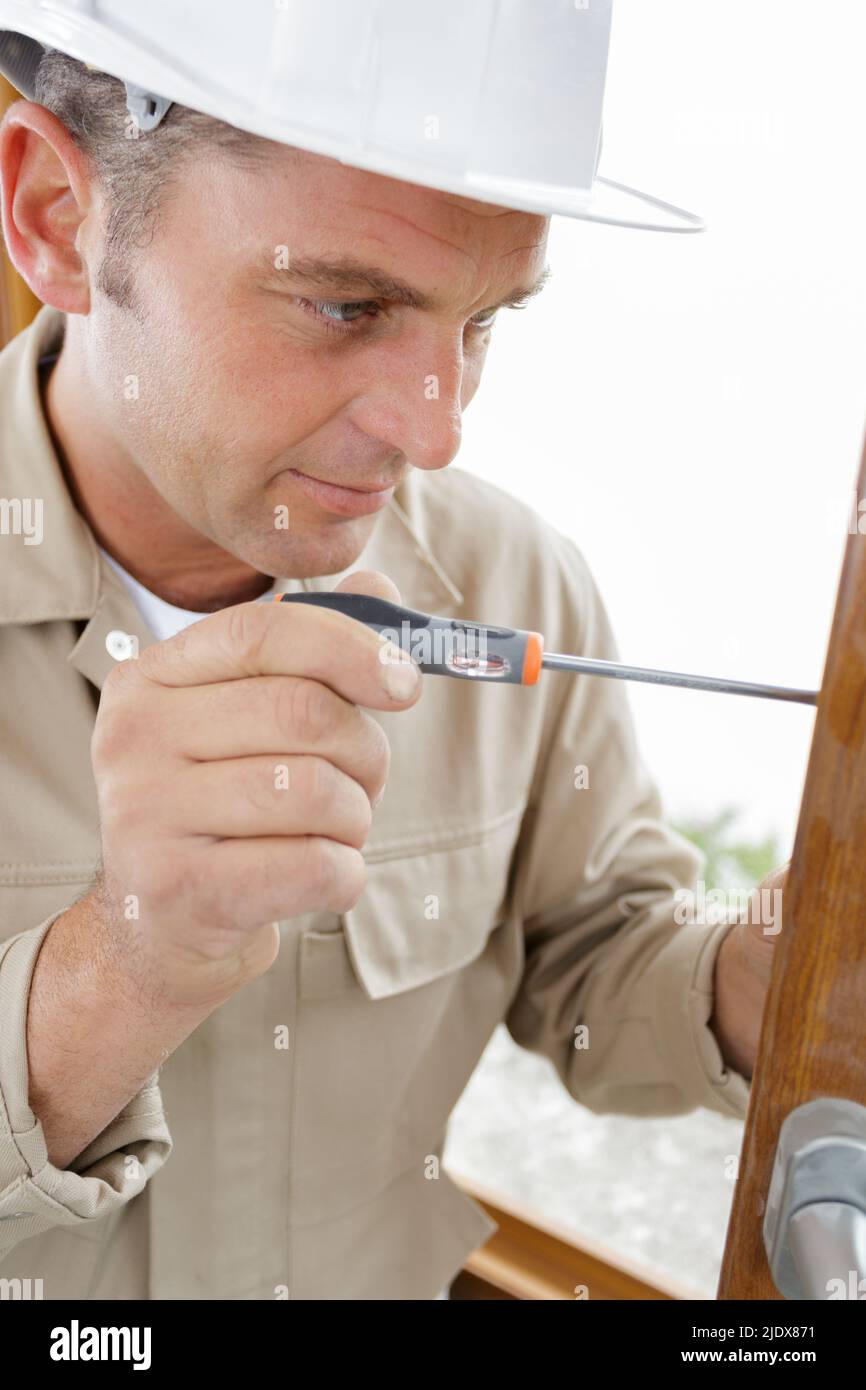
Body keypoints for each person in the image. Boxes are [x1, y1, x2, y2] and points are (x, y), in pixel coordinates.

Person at [0, 7, 778, 1301]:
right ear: (55, 219)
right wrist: (117, 970)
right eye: (347, 305)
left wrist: (787, 955)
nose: (437, 435)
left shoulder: (515, 582)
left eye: (484, 321)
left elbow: (599, 954)